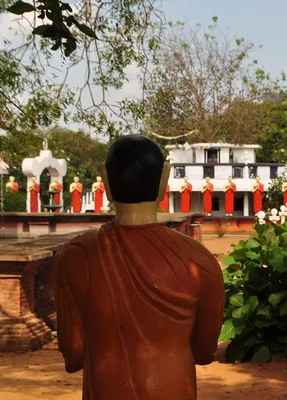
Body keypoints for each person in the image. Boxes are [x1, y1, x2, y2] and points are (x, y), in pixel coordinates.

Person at [52, 135, 225, 400]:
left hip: (106, 388)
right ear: (164, 179)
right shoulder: (199, 261)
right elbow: (203, 352)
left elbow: (73, 353)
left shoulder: (74, 257)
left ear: (106, 181)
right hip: (174, 389)